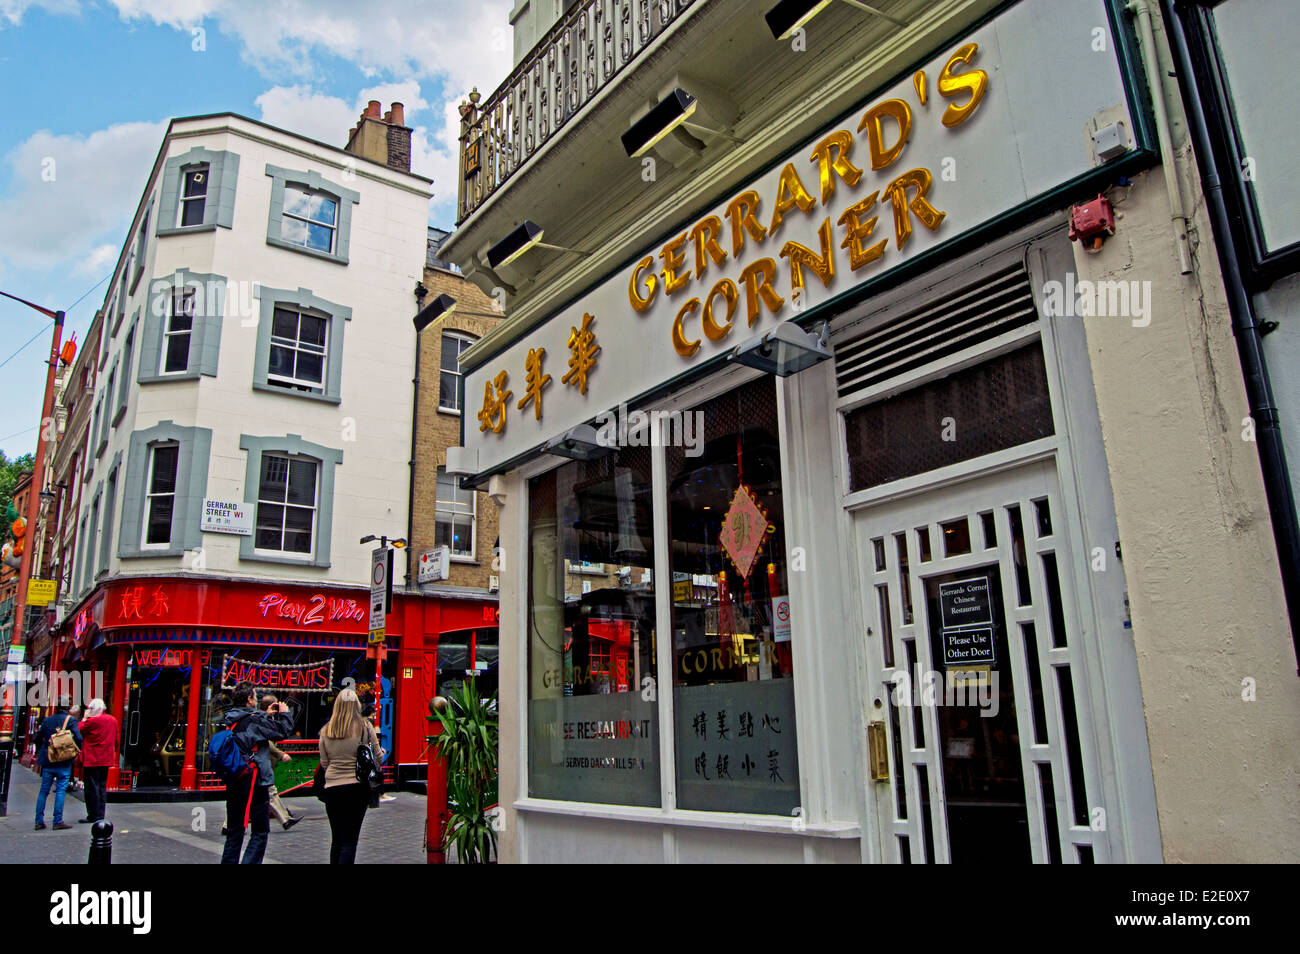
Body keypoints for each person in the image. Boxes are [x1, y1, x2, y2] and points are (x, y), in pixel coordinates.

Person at [219, 681, 295, 864]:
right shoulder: (254, 719)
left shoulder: (231, 718)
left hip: (235, 777)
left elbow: (249, 729)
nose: (256, 699)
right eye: (254, 696)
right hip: (255, 779)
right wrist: (285, 714)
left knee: (235, 830)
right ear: (249, 700)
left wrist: (264, 715)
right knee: (260, 830)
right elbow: (283, 731)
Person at [318, 688, 383, 864]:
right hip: (356, 787)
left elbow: (324, 763)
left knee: (337, 839)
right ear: (357, 705)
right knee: (350, 840)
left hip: (332, 788)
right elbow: (378, 756)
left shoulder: (326, 730)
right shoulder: (364, 726)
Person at [33, 699, 83, 831]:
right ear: (69, 707)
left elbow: (36, 738)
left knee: (43, 791)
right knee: (61, 790)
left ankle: (38, 821)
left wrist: (43, 749)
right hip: (64, 759)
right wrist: (75, 750)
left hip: (48, 759)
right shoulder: (70, 720)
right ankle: (57, 820)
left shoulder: (47, 720)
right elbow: (78, 738)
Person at [257, 694, 302, 831]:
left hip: (257, 764)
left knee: (247, 795)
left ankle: (227, 825)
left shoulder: (257, 719)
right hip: (261, 764)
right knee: (270, 792)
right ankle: (285, 819)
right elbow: (283, 732)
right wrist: (285, 714)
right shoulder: (260, 720)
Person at [77, 698, 119, 824]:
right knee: (101, 786)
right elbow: (116, 740)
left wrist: (84, 718)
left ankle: (93, 814)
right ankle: (101, 813)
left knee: (91, 787)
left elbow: (79, 730)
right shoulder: (112, 720)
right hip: (106, 758)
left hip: (92, 758)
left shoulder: (91, 721)